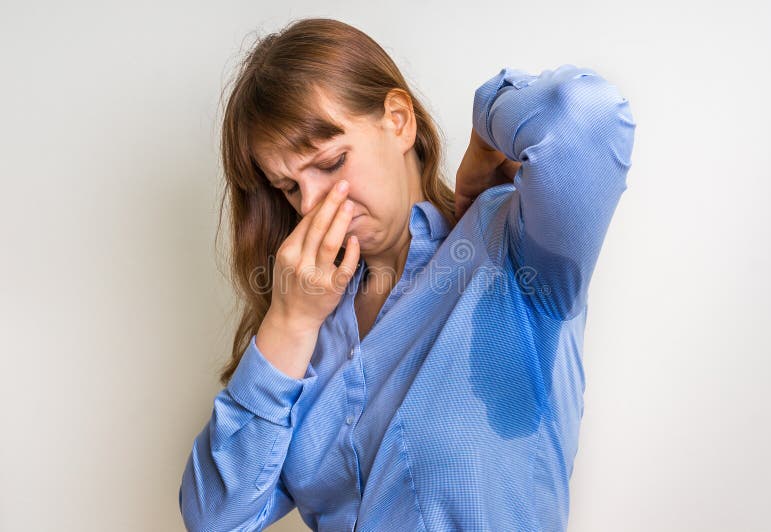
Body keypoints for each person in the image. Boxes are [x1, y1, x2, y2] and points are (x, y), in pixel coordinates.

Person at [178, 17, 636, 532]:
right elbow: (214, 520)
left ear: (398, 120)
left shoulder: (510, 246)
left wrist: (486, 131)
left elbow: (587, 115)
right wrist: (289, 325)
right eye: (288, 187)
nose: (310, 205)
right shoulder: (309, 327)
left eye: (330, 163)